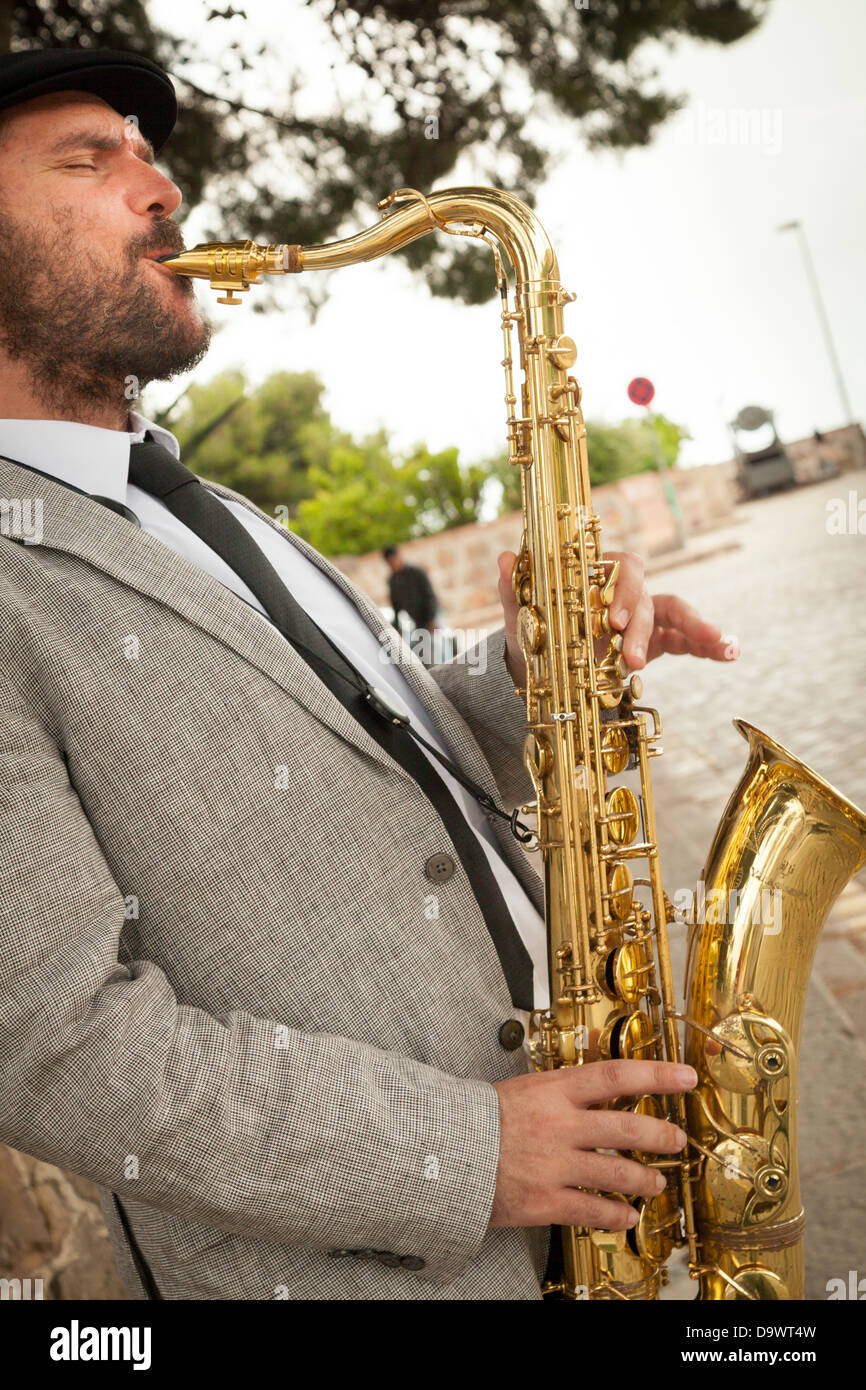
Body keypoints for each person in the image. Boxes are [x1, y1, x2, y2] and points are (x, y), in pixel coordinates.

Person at [0, 48, 736, 1301]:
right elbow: (60, 1046)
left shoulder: (215, 507)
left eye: (148, 151)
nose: (162, 186)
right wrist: (470, 1157)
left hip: (601, 1212)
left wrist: (535, 656)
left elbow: (400, 726)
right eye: (91, 159)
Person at [383, 544, 440, 636]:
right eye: (389, 562)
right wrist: (396, 626)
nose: (393, 564)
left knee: (442, 643)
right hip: (417, 620)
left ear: (398, 557)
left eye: (393, 560)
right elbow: (396, 606)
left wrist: (431, 619)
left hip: (433, 616)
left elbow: (429, 595)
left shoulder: (416, 572)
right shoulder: (393, 581)